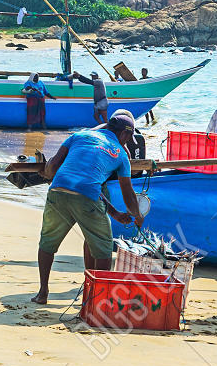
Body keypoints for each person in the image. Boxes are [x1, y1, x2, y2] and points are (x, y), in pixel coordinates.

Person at [34, 110, 144, 304]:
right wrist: (137, 215)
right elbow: (127, 192)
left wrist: (116, 214)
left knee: (47, 243)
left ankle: (42, 292)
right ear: (125, 134)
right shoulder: (120, 154)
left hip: (57, 191)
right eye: (128, 137)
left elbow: (53, 168)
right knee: (103, 249)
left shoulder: (80, 135)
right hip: (87, 199)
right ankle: (95, 299)